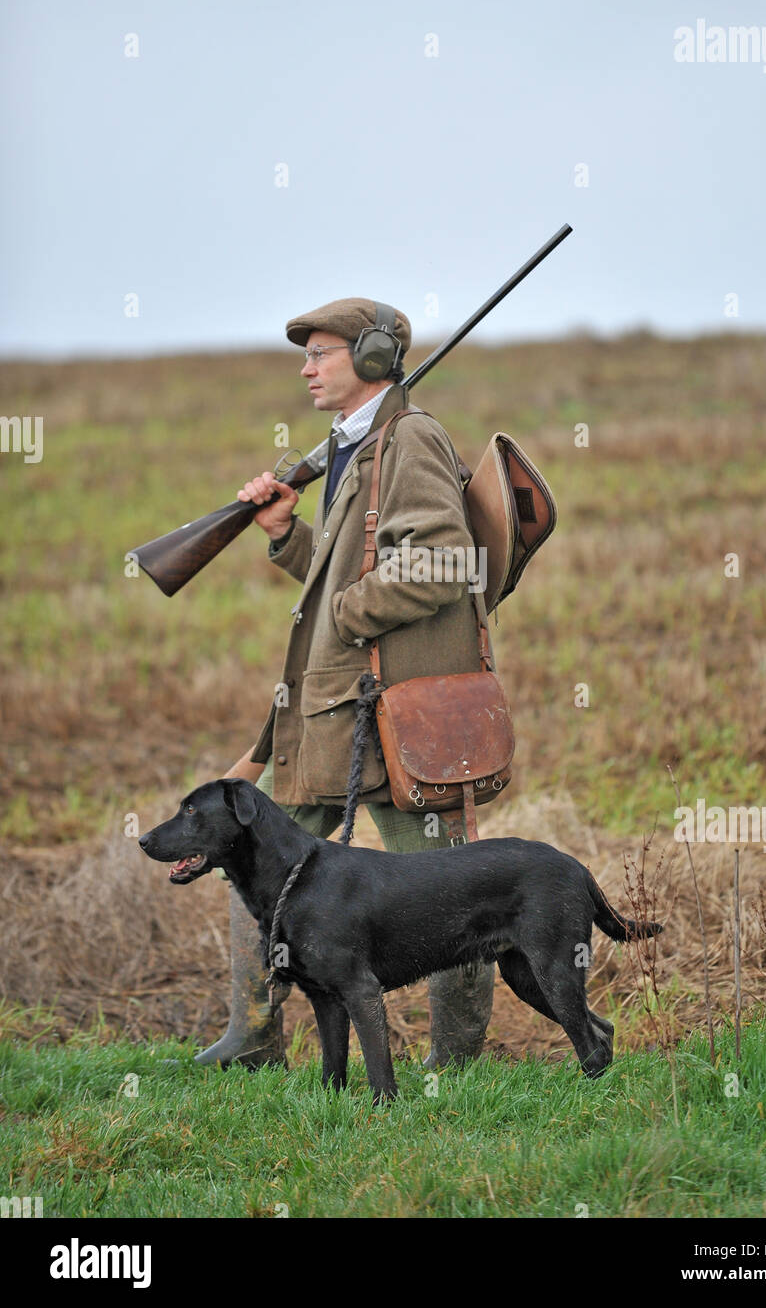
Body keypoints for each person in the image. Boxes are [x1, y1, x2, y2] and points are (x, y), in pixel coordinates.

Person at [195, 297, 497, 1070]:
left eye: (320, 353)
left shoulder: (411, 439)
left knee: (452, 894)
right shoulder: (354, 448)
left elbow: (441, 560)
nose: (305, 368)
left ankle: (455, 1066)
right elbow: (350, 573)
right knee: (249, 860)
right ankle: (253, 1041)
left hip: (396, 723)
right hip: (331, 719)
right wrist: (290, 538)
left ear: (369, 357)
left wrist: (349, 608)